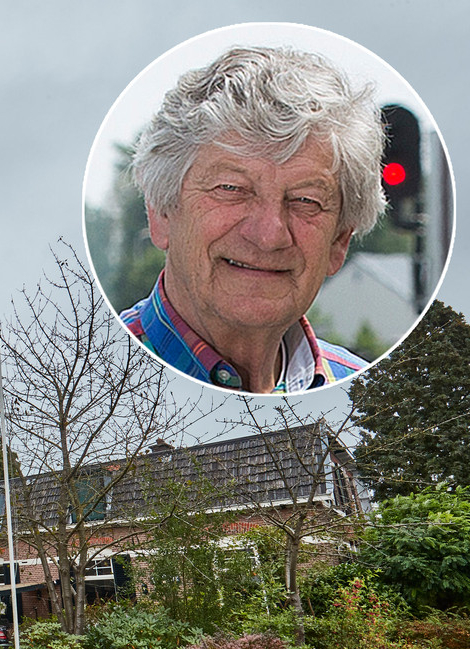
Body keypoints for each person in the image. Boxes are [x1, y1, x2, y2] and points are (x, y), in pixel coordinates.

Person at [120, 46, 386, 393]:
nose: (269, 234)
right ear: (161, 212)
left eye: (305, 200)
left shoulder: (370, 395)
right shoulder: (86, 378)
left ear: (340, 242)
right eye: (231, 188)